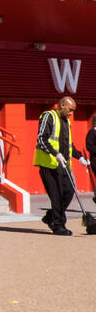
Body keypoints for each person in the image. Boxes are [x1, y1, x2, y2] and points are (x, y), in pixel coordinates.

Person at [34, 95, 90, 235]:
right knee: (57, 195)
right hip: (49, 164)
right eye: (70, 109)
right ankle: (58, 225)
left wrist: (80, 157)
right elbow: (41, 138)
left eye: (73, 110)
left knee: (69, 192)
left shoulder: (66, 122)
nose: (71, 113)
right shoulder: (49, 116)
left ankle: (50, 216)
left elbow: (68, 145)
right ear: (62, 105)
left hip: (64, 165)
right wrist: (55, 153)